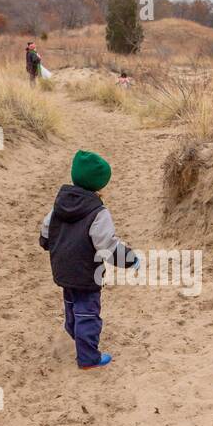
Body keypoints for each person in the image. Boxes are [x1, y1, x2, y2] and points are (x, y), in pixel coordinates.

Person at [39, 149, 138, 369]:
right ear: (99, 184)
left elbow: (47, 229)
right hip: (85, 271)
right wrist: (130, 259)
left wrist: (47, 243)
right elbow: (107, 246)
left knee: (71, 302)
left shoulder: (59, 203)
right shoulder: (98, 212)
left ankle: (73, 331)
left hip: (62, 268)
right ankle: (88, 357)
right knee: (88, 312)